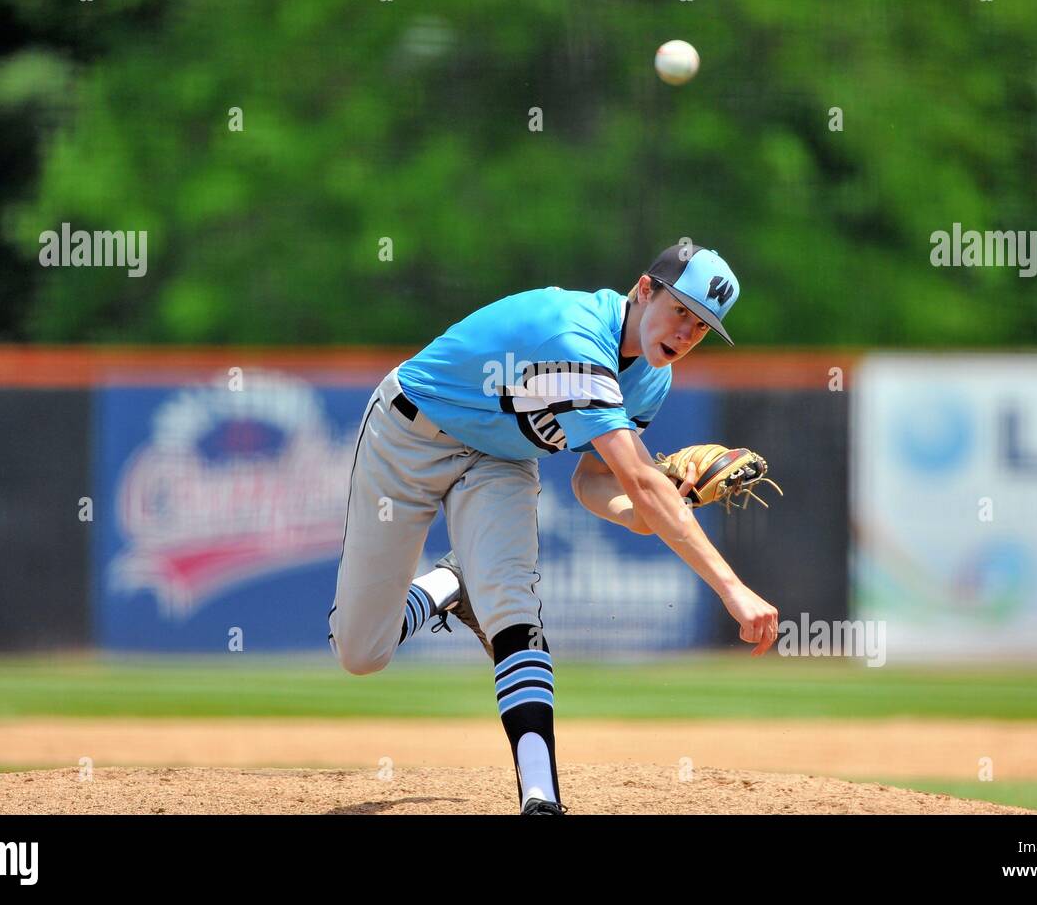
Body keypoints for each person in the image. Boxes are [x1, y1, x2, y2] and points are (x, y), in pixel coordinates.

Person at [327, 243, 780, 815]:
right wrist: (732, 589)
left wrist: (649, 515)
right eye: (682, 310)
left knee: (514, 613)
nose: (688, 332)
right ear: (645, 289)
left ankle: (540, 796)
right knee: (362, 652)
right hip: (409, 435)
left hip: (500, 462)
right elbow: (640, 479)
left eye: (704, 326)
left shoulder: (651, 380)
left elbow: (594, 482)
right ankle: (448, 586)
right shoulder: (576, 339)